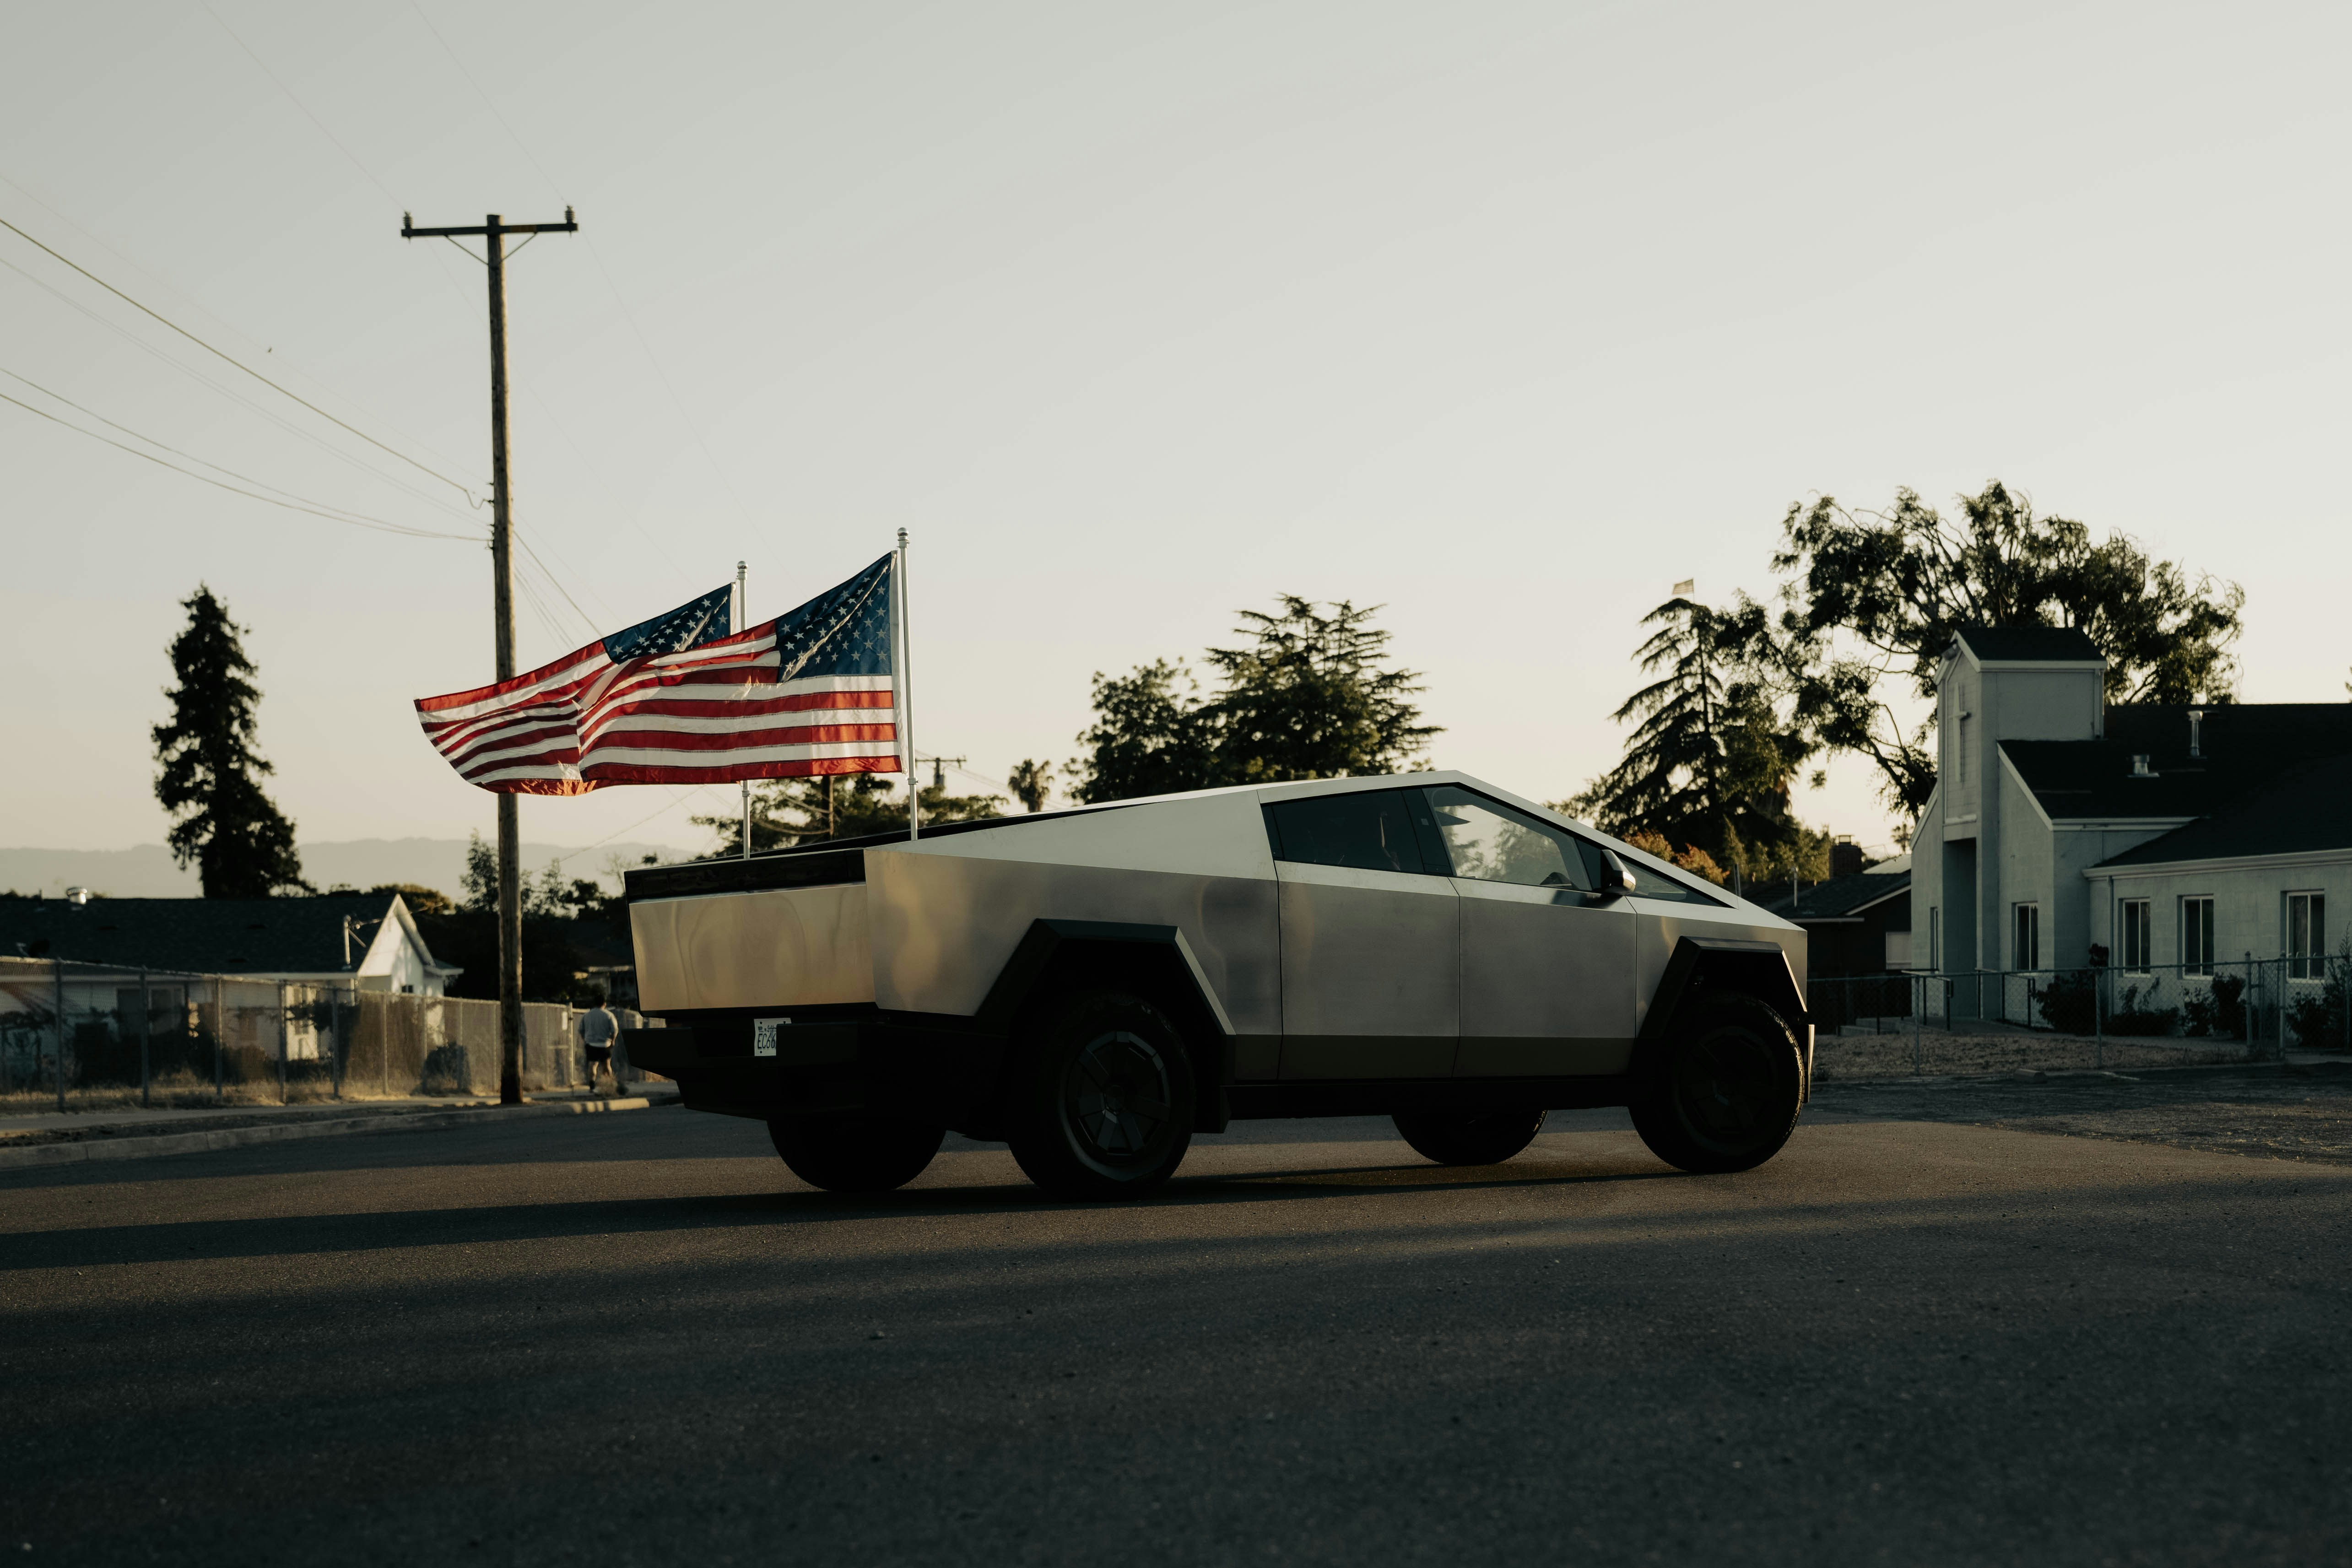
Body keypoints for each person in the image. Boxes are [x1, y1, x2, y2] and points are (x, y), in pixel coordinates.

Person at [577, 1000, 619, 1094]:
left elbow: (581, 1030)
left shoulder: (587, 1015)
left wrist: (586, 1040)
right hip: (605, 1044)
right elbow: (615, 1030)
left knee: (593, 1065)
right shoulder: (609, 1015)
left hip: (591, 1044)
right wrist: (613, 1040)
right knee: (607, 1065)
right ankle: (609, 1084)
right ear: (604, 1004)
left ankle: (592, 1086)